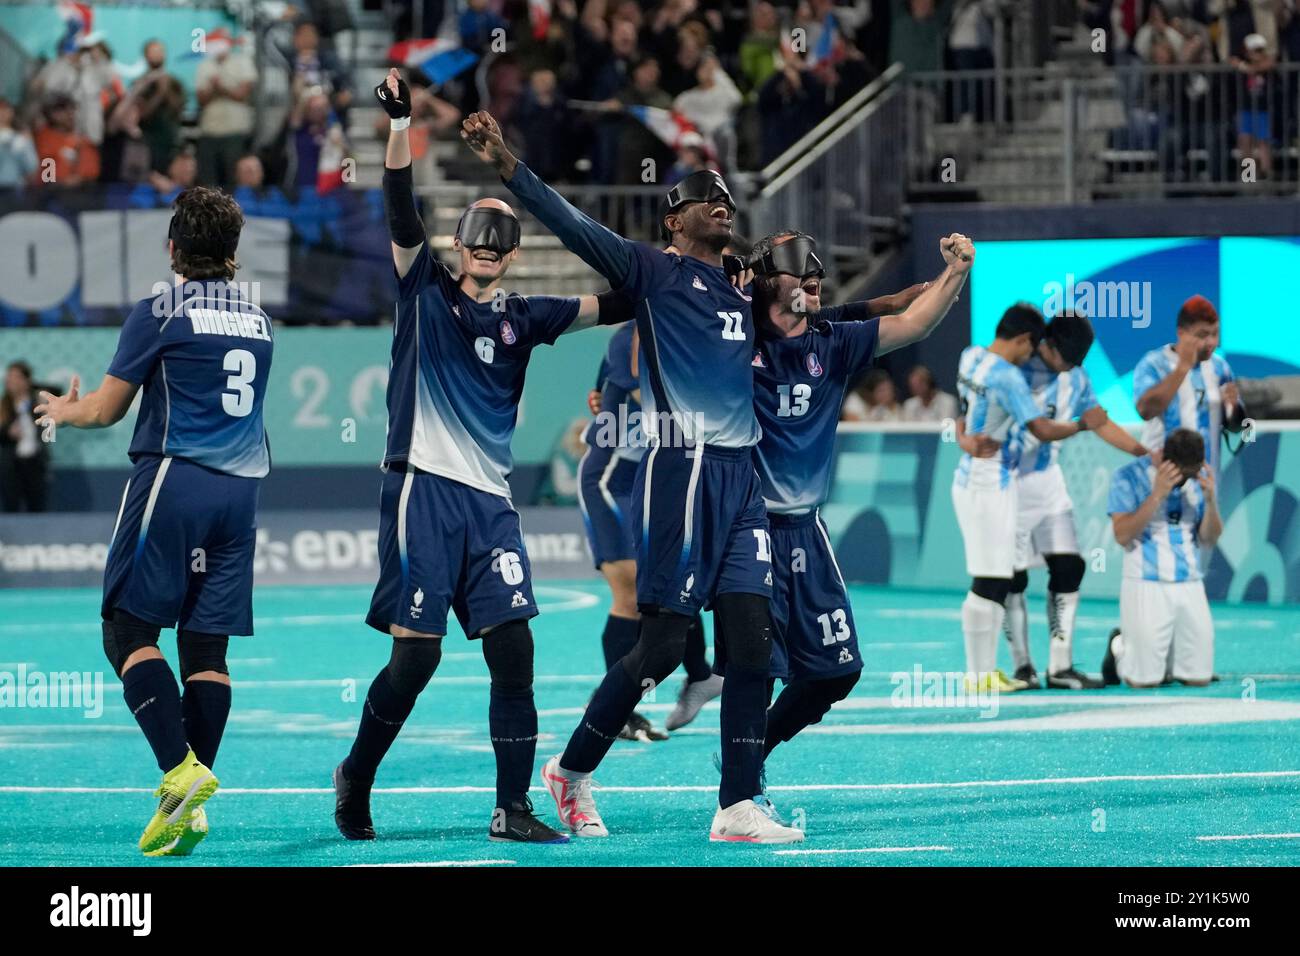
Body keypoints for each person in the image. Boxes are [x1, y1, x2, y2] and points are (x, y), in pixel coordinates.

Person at [462, 108, 805, 843]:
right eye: (702, 195)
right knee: (659, 648)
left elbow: (820, 316)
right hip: (680, 473)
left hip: (742, 481)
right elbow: (573, 223)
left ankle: (738, 804)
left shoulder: (746, 291)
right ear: (672, 219)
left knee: (753, 646)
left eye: (727, 196)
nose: (721, 201)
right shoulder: (651, 270)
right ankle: (571, 770)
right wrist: (506, 164)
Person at [331, 70, 620, 847]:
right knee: (415, 663)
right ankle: (357, 773)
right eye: (475, 239)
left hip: (491, 506)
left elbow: (625, 296)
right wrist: (399, 128)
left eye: (501, 242)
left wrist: (686, 278)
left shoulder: (529, 317)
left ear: (514, 255)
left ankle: (510, 807)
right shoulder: (422, 285)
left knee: (514, 652)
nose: (487, 251)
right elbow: (398, 206)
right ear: (457, 247)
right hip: (422, 490)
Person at [34, 187, 272, 858]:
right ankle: (185, 804)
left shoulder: (159, 312)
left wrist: (64, 409)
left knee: (127, 628)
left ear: (172, 247)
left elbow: (108, 411)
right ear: (233, 251)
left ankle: (179, 769)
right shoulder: (258, 319)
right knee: (207, 649)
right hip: (241, 491)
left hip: (175, 480)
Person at [744, 229, 972, 806]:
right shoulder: (733, 340)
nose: (815, 275)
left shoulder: (834, 343)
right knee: (757, 669)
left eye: (819, 267)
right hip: (747, 532)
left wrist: (956, 274)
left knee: (837, 671)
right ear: (770, 281)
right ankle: (741, 791)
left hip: (807, 531)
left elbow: (915, 325)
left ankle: (752, 750)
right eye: (801, 268)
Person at [977, 312, 1149, 690]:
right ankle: (1023, 666)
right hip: (1006, 482)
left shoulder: (1075, 375)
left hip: (1047, 480)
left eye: (1077, 362)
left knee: (1070, 567)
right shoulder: (1013, 372)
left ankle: (1060, 666)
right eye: (1067, 359)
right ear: (1046, 345)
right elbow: (1047, 428)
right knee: (1012, 578)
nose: (1071, 368)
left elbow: (1099, 422)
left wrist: (1142, 451)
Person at [578, 322, 717, 740]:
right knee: (631, 593)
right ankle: (615, 708)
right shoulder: (632, 335)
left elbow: (600, 393)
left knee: (675, 583)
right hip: (611, 479)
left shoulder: (687, 331)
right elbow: (650, 396)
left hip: (653, 477)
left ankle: (699, 675)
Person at [952, 304, 1086, 693]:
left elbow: (960, 406)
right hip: (988, 480)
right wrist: (1081, 425)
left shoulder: (970, 355)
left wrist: (962, 437)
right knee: (991, 579)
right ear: (1024, 340)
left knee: (997, 577)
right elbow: (1041, 429)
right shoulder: (1009, 378)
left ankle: (986, 671)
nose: (1032, 356)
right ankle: (978, 676)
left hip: (974, 475)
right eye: (1032, 347)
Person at [1102, 428, 1222, 687]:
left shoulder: (1197, 480)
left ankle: (1163, 654)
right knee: (1144, 682)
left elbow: (1209, 539)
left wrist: (1211, 502)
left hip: (1190, 581)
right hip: (1146, 581)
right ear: (1166, 460)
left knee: (1198, 679)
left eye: (1190, 473)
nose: (1184, 481)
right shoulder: (1128, 477)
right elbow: (1122, 535)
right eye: (1181, 474)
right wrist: (1157, 495)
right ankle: (1119, 648)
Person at [1133, 294, 1241, 477]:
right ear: (1181, 333)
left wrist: (1234, 409)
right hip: (1161, 482)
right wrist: (1182, 368)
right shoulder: (1154, 364)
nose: (1211, 342)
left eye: (1215, 333)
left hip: (1206, 485)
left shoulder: (1220, 368)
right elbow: (1145, 410)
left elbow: (1238, 428)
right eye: (1202, 335)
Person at [195, 38, 258, 189]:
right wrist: (214, 88)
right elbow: (201, 99)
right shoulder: (204, 65)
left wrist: (220, 87)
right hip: (209, 131)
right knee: (207, 181)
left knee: (233, 179)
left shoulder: (243, 62)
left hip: (235, 132)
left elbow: (243, 94)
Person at [1, 361, 50, 512]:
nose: (11, 381)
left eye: (16, 377)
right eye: (9, 377)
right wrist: (7, 432)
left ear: (26, 381)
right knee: (11, 507)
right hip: (11, 465)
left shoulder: (38, 404)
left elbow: (50, 435)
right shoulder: (3, 406)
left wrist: (46, 413)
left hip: (35, 464)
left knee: (37, 508)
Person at [33, 94, 100, 186]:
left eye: (72, 109)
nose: (70, 114)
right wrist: (62, 182)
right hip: (51, 193)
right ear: (51, 114)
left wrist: (80, 178)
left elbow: (92, 172)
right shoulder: (43, 138)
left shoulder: (83, 141)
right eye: (63, 110)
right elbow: (45, 175)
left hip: (82, 192)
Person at [0, 98, 38, 188]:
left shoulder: (21, 138)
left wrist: (24, 147)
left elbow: (32, 167)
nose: (2, 113)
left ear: (11, 112)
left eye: (5, 110)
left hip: (13, 188)